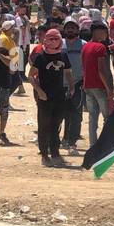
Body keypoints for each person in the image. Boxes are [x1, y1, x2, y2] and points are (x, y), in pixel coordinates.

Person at [29, 26, 72, 166]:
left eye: (56, 39)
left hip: (60, 96)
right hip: (44, 97)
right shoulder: (41, 56)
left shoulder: (63, 55)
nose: (53, 41)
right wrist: (39, 91)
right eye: (50, 39)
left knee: (56, 125)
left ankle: (55, 152)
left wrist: (71, 87)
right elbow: (31, 76)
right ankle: (44, 154)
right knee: (44, 126)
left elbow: (68, 73)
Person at [81, 20, 114, 146]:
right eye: (105, 32)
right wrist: (109, 89)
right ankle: (105, 145)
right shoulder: (100, 47)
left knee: (92, 118)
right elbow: (101, 70)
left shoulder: (85, 46)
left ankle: (93, 146)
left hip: (88, 85)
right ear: (98, 32)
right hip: (100, 86)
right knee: (108, 117)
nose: (106, 35)